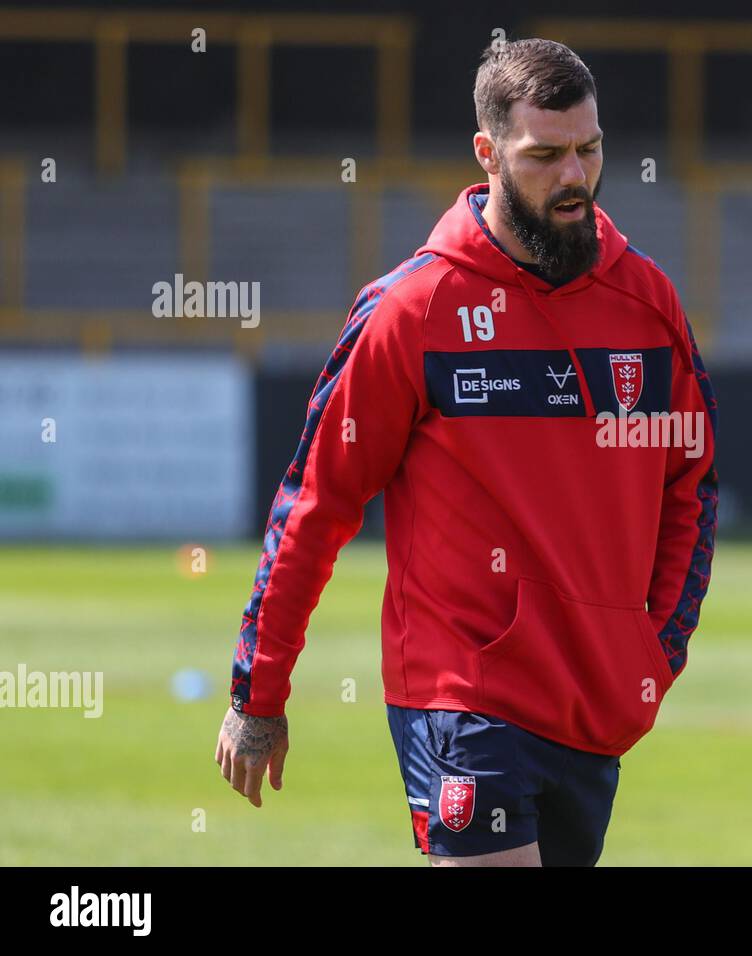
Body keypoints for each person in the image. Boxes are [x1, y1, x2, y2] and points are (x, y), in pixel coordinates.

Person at [214, 37, 718, 866]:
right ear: (487, 154)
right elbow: (315, 504)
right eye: (545, 155)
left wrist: (651, 652)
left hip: (595, 704)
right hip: (461, 699)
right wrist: (257, 694)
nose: (574, 177)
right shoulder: (412, 310)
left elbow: (689, 491)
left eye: (589, 150)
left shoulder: (648, 303)